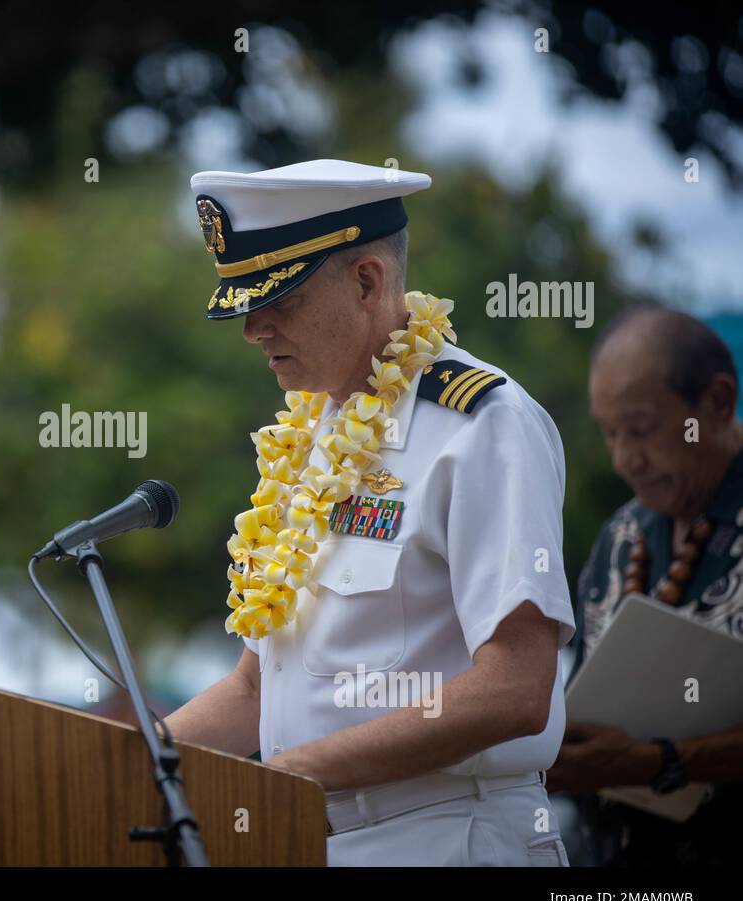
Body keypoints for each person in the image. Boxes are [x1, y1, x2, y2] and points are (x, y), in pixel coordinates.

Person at [164, 158, 576, 865]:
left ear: (367, 281)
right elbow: (253, 687)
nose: (253, 330)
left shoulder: (483, 424)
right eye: (241, 304)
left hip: (447, 836)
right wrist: (125, 757)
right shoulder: (309, 438)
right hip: (316, 840)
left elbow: (517, 685)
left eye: (278, 299)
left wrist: (293, 775)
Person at [548, 306, 743, 865]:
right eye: (609, 433)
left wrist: (659, 762)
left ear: (717, 402)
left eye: (640, 430)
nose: (623, 459)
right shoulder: (623, 533)